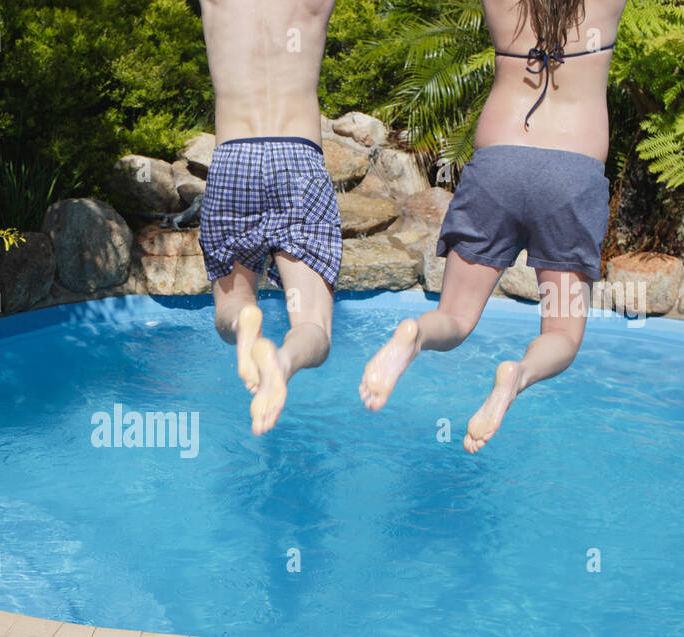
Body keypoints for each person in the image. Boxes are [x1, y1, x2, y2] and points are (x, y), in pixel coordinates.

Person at [359, 0, 626, 453]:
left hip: (498, 164)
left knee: (456, 318)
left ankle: (415, 336)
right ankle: (516, 376)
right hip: (572, 177)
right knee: (560, 334)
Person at [198, 0, 342, 436]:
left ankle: (246, 324)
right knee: (313, 325)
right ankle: (282, 361)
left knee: (234, 305)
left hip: (233, 156)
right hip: (299, 156)